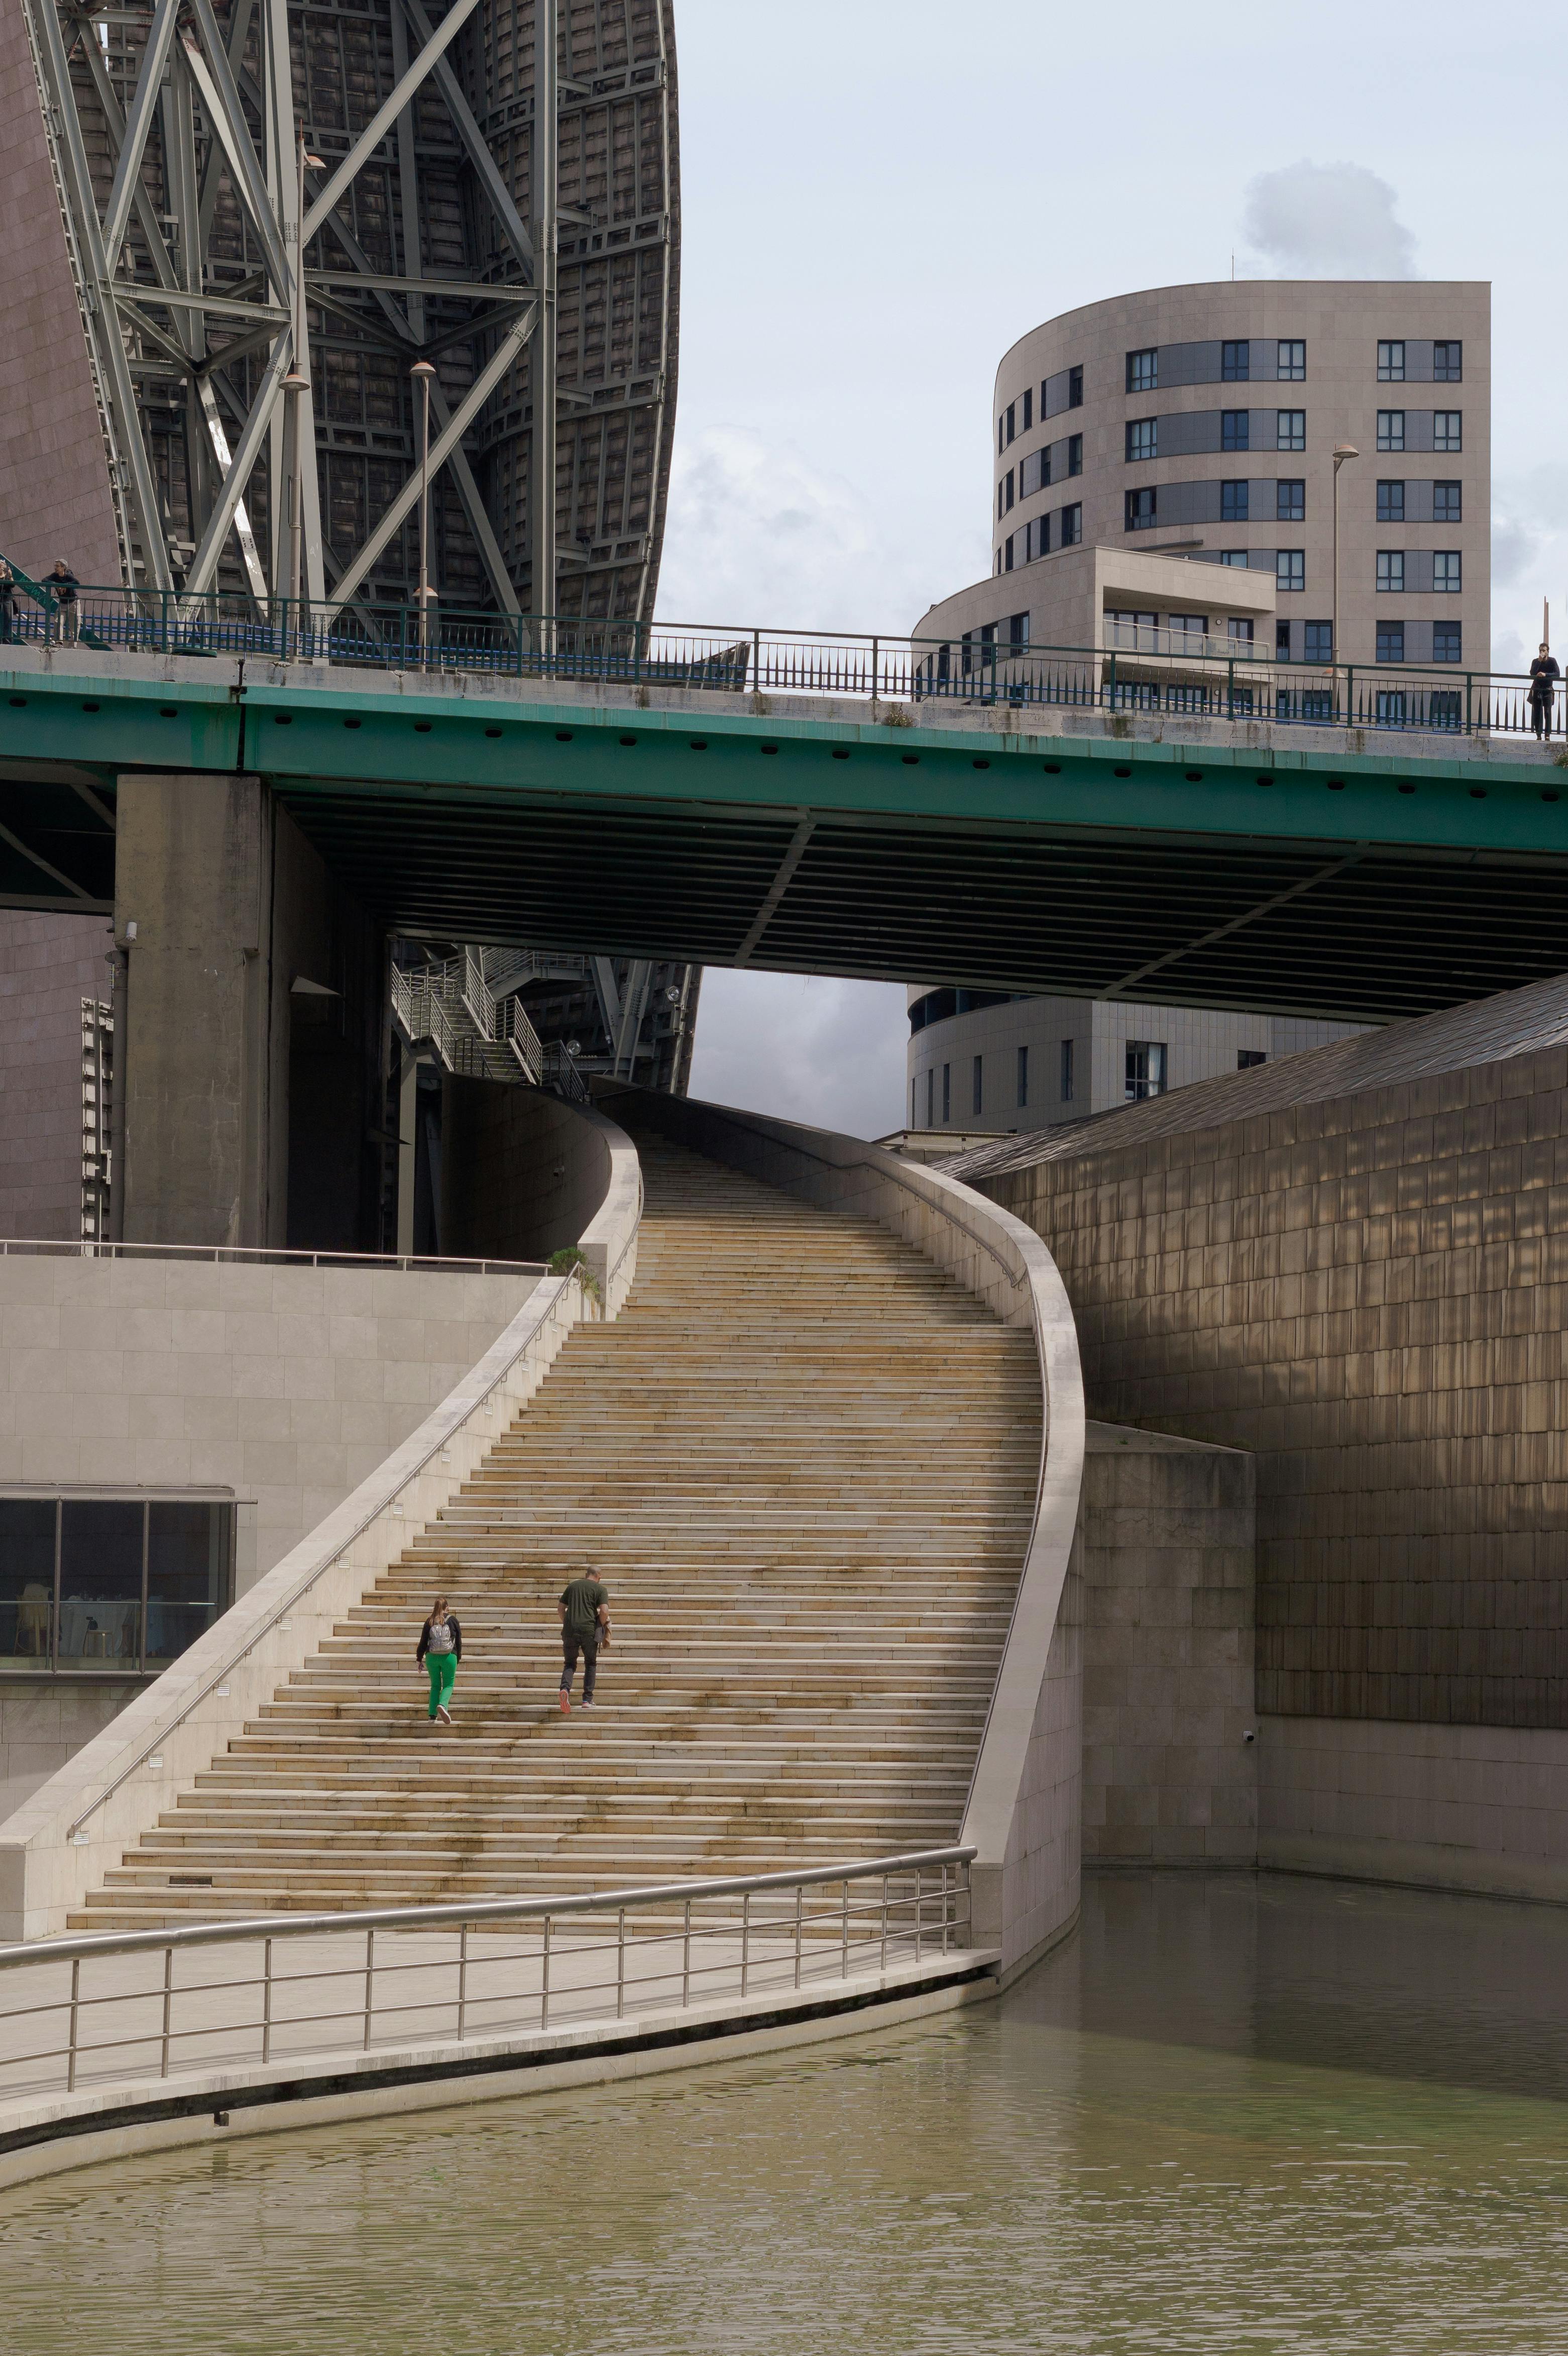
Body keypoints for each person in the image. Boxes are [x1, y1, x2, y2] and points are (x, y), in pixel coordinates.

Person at [557, 1567, 610, 1714]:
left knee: (569, 1663)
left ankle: (565, 1690)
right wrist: (601, 1623)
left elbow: (561, 1609)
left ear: (586, 1575)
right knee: (591, 1664)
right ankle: (587, 1700)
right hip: (589, 1631)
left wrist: (568, 1623)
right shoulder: (600, 1589)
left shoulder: (573, 1586)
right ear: (599, 1576)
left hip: (570, 1631)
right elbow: (604, 1611)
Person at [416, 1594, 462, 1725]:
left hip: (432, 1657)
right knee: (448, 1685)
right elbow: (458, 1642)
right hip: (449, 1657)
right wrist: (457, 1658)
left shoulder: (429, 1621)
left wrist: (419, 1659)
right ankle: (442, 1705)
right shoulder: (453, 1620)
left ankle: (432, 1716)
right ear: (447, 1608)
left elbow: (423, 1642)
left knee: (435, 1685)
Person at [1529, 642, 1560, 741]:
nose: (1542, 652)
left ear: (1548, 652)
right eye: (1541, 650)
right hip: (1537, 689)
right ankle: (1538, 734)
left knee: (1547, 712)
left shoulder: (1552, 661)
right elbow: (1532, 673)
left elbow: (1557, 674)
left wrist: (1545, 674)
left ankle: (1548, 734)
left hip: (1548, 690)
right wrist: (1539, 661)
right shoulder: (1536, 661)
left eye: (1544, 650)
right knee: (1537, 712)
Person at [47, 559, 79, 646]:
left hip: (73, 602)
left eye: (58, 566)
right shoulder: (55, 576)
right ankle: (59, 642)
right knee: (58, 621)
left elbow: (77, 583)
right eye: (55, 566)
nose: (56, 568)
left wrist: (65, 586)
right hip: (63, 603)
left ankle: (73, 646)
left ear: (63, 568)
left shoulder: (68, 576)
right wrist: (55, 584)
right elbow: (44, 580)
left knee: (74, 625)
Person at [0, 559, 16, 644]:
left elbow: (13, 585)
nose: (2, 568)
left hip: (7, 600)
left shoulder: (7, 576)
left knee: (8, 620)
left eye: (3, 566)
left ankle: (7, 640)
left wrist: (10, 576)